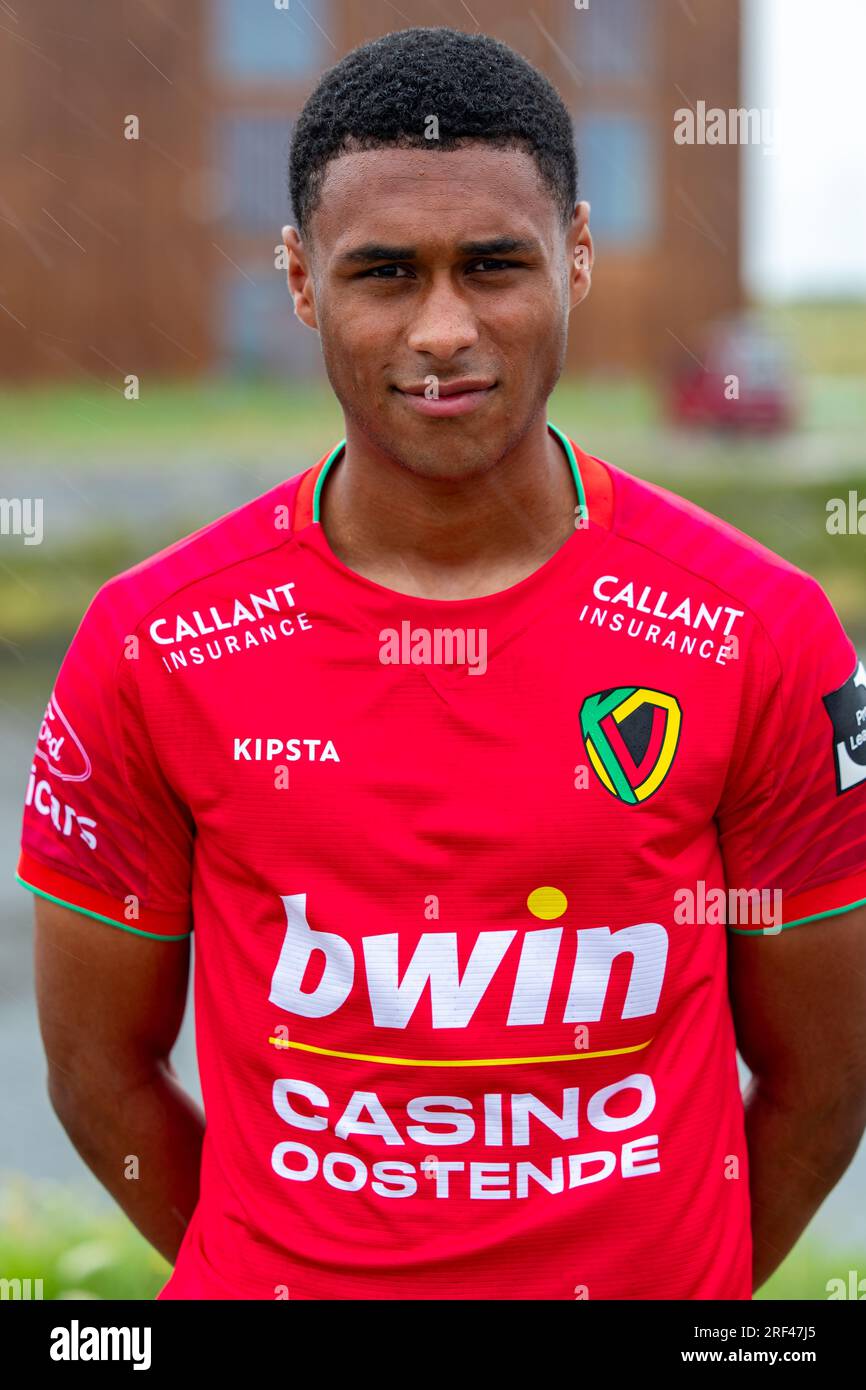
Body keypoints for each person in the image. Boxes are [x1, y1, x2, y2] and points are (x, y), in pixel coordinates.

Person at [17, 26, 866, 1301]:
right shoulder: (154, 640)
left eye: (492, 265)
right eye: (381, 274)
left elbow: (826, 1071)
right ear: (300, 281)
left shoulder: (761, 629)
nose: (442, 329)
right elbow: (95, 1068)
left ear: (575, 253)